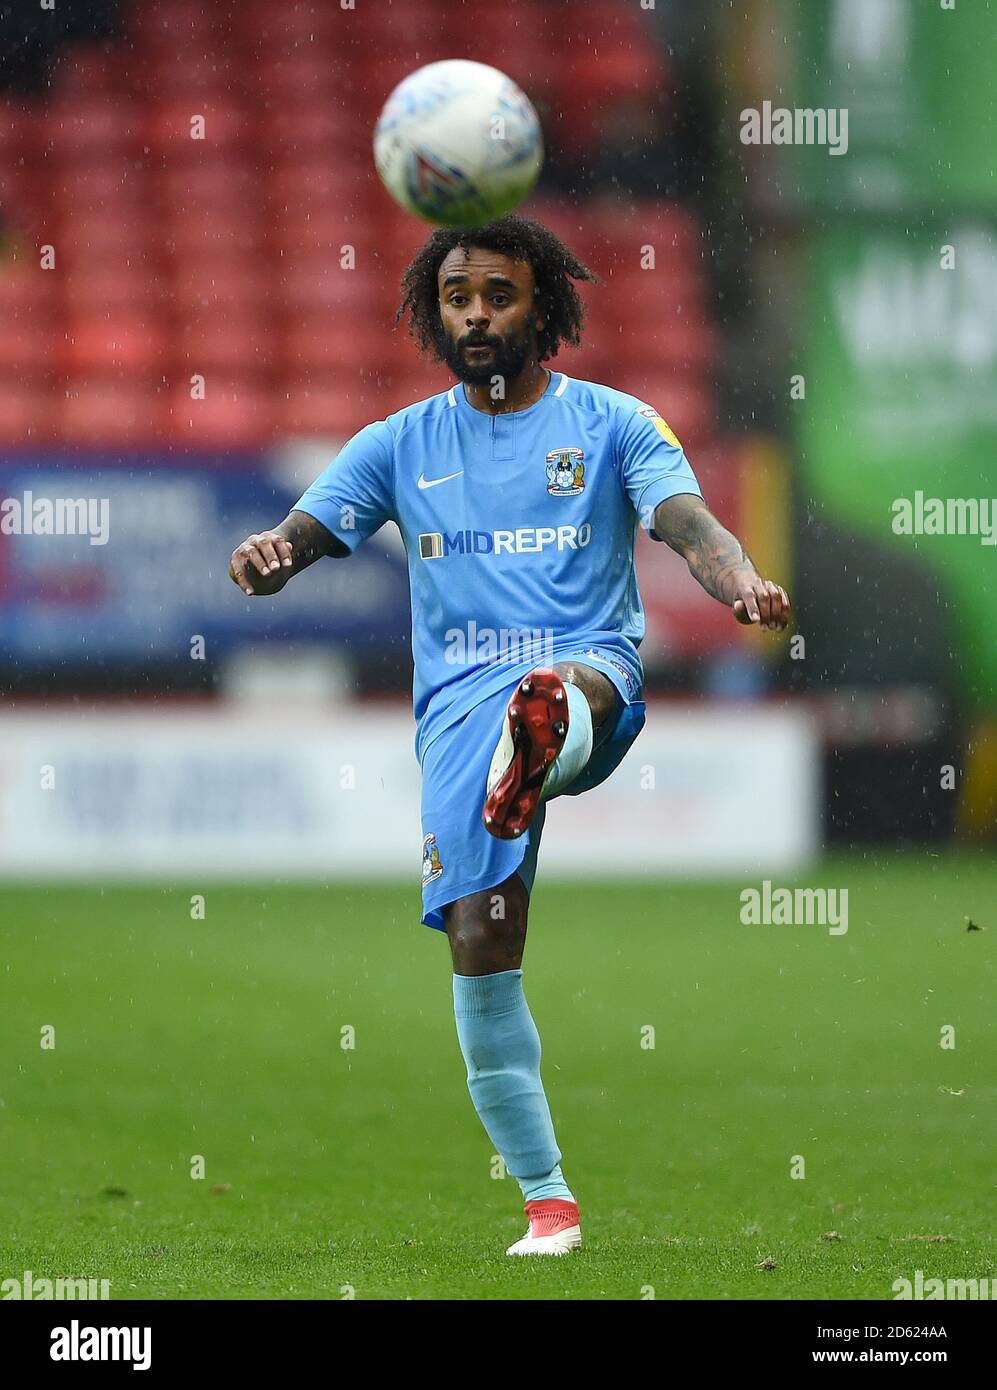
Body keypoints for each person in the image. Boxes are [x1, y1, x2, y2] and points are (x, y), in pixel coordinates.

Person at [228, 215, 791, 1256]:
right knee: (484, 946)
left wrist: (742, 581)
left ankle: (545, 732)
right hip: (456, 713)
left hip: (588, 669)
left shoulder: (618, 424)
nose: (476, 315)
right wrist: (268, 556)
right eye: (457, 299)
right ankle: (548, 1203)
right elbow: (301, 537)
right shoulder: (399, 443)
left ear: (546, 306)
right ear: (432, 312)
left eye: (498, 295)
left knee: (568, 681)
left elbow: (687, 526)